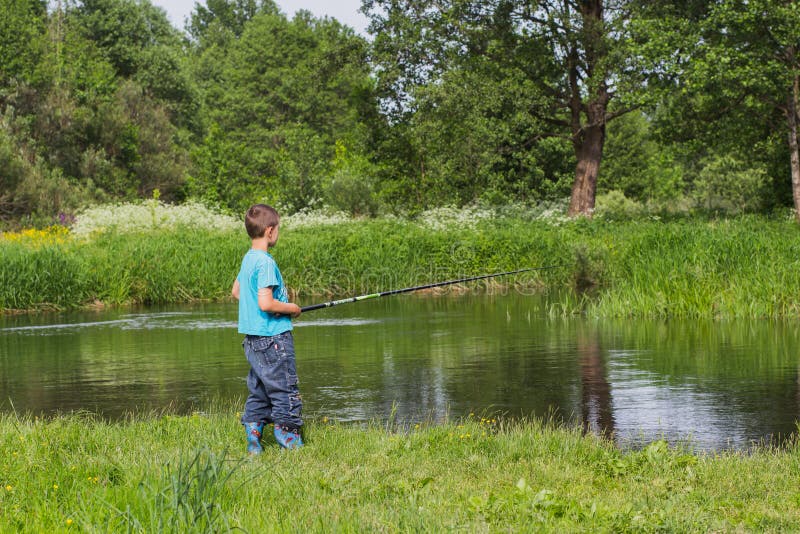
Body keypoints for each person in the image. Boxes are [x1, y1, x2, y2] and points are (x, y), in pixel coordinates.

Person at [232, 204, 303, 452]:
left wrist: (267, 306)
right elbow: (265, 303)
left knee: (260, 390)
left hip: (253, 340)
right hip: (274, 338)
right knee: (285, 389)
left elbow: (237, 292)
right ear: (270, 231)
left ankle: (253, 436)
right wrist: (291, 308)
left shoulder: (248, 258)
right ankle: (289, 440)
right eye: (278, 229)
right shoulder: (265, 263)